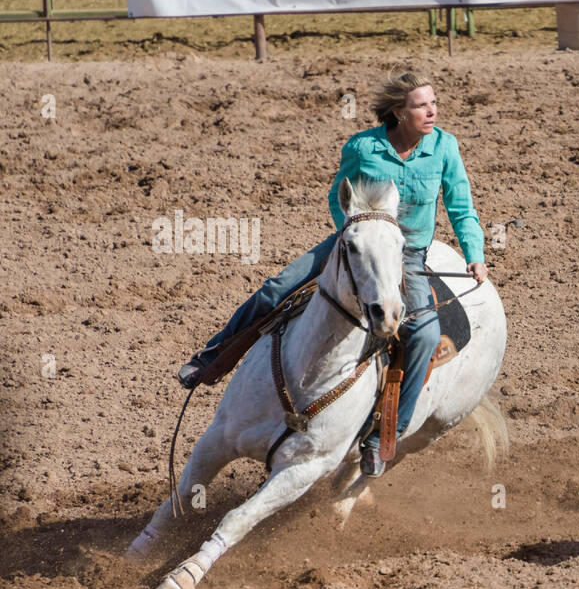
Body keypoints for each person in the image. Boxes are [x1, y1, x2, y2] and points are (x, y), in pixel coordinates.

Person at [177, 69, 488, 477]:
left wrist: (474, 254)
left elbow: (461, 207)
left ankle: (385, 436)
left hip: (407, 255)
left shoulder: (445, 147)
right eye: (421, 106)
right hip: (354, 246)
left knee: (425, 335)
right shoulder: (363, 147)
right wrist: (350, 233)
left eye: (433, 103)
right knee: (276, 288)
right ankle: (213, 357)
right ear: (399, 112)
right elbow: (336, 194)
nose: (432, 112)